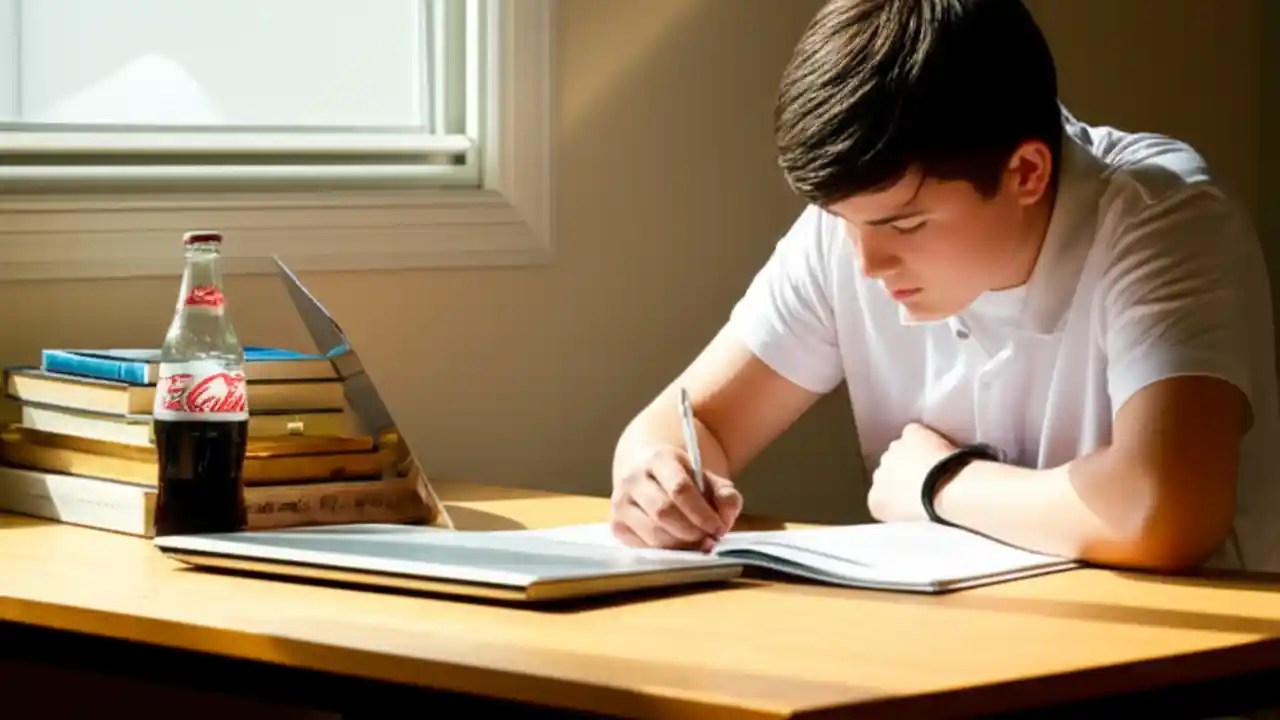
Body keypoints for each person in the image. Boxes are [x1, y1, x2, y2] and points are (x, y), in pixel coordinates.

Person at [608, 0, 1279, 573]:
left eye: (906, 224)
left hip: (1188, 672)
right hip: (967, 653)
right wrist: (657, 475)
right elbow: (687, 421)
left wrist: (938, 483)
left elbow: (1164, 508)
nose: (866, 264)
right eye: (844, 222)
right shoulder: (857, 228)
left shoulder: (1163, 218)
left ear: (1026, 173)